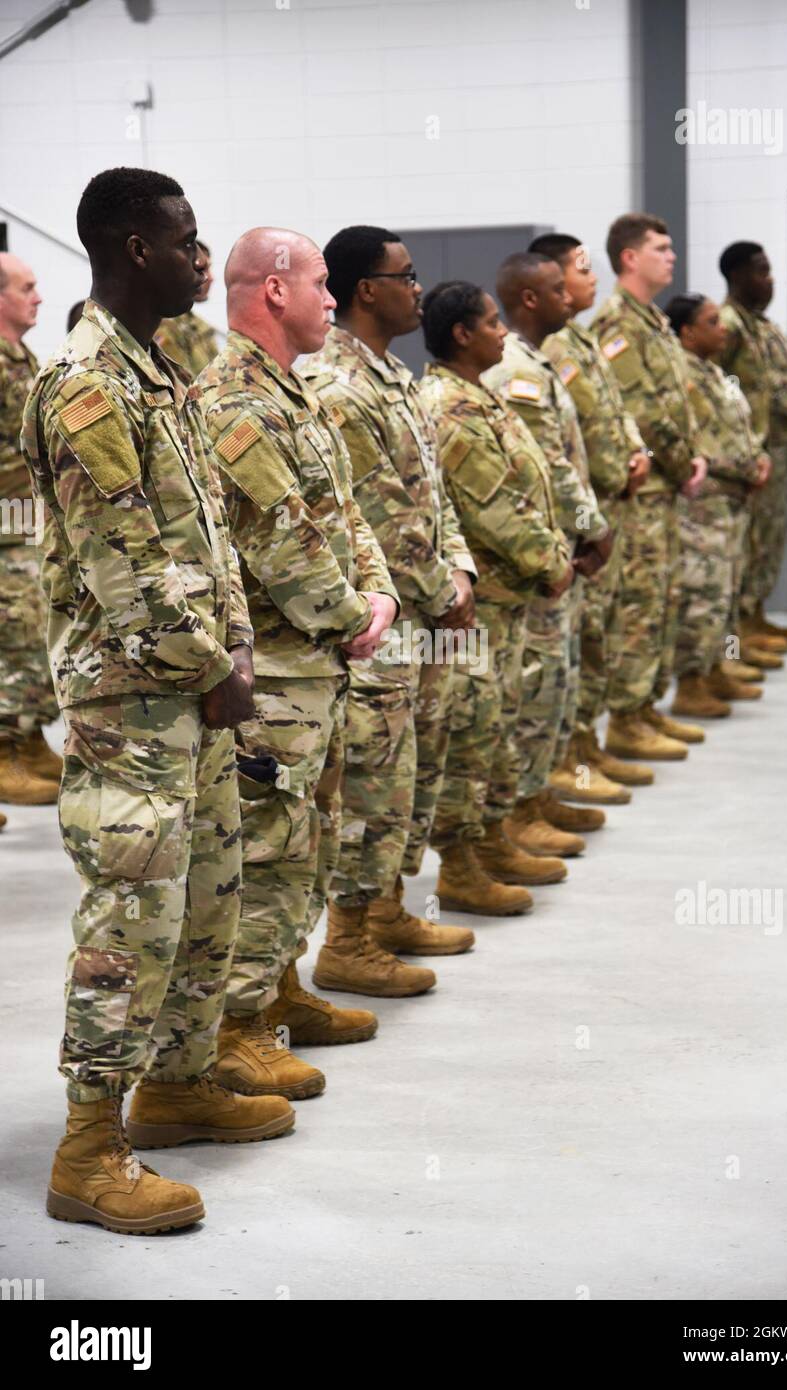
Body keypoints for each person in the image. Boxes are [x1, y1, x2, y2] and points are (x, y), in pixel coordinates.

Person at [21, 167, 293, 1237]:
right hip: (134, 700)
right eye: (185, 239)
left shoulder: (157, 370)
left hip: (189, 691)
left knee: (208, 899)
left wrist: (229, 656)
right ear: (135, 247)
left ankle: (176, 1088)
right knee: (132, 919)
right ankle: (89, 1148)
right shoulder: (87, 382)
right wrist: (211, 666)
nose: (198, 255)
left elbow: (199, 537)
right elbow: (122, 561)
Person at [198, 227, 399, 1097]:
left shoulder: (297, 393)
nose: (331, 298)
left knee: (306, 841)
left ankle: (278, 990)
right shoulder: (235, 402)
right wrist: (357, 611)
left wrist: (380, 591)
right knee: (268, 851)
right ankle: (237, 1025)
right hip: (274, 673)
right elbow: (283, 541)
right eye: (320, 283)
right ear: (274, 290)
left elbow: (345, 514)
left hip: (318, 665)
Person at [302, 226, 476, 999]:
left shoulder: (391, 376)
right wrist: (446, 593)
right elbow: (382, 521)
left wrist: (460, 569)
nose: (418, 289)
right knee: (370, 788)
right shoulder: (338, 388)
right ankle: (347, 943)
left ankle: (387, 911)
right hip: (384, 625)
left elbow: (432, 497)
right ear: (366, 290)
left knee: (406, 779)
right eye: (406, 278)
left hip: (424, 616)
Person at [419, 280, 585, 917]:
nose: (503, 333)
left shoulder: (478, 396)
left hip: (505, 600)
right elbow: (493, 509)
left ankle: (489, 837)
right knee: (471, 730)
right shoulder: (450, 406)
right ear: (463, 334)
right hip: (478, 604)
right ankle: (461, 863)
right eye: (493, 323)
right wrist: (549, 558)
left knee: (493, 726)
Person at [481, 252, 610, 856]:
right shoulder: (515, 371)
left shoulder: (536, 361)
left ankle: (535, 794)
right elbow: (549, 468)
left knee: (554, 681)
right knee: (531, 689)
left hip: (555, 548)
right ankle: (515, 810)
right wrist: (592, 522)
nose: (570, 297)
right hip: (530, 560)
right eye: (557, 289)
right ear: (529, 299)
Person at [535, 231, 655, 802]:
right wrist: (617, 472)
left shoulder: (579, 342)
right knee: (580, 642)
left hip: (609, 503)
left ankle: (587, 747)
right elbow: (565, 443)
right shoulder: (552, 351)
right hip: (585, 516)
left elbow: (617, 415)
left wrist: (639, 459)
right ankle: (569, 759)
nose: (591, 280)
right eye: (579, 271)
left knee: (600, 635)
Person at [592, 213, 709, 760]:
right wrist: (685, 463)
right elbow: (642, 413)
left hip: (664, 487)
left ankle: (644, 708)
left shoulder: (654, 322)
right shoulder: (617, 325)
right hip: (642, 491)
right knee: (637, 603)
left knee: (662, 597)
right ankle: (625, 718)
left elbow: (676, 406)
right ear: (630, 258)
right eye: (660, 249)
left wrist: (692, 458)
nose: (672, 256)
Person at [665, 293, 770, 716]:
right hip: (707, 504)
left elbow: (738, 429)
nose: (722, 327)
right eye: (712, 321)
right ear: (688, 332)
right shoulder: (683, 377)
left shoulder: (714, 372)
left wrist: (757, 459)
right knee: (702, 595)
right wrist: (746, 467)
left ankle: (717, 666)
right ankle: (690, 683)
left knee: (726, 594)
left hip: (732, 501)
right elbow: (701, 447)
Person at [717, 242, 787, 654]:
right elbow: (723, 387)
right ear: (738, 277)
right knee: (752, 539)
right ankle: (741, 624)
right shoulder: (727, 325)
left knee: (771, 536)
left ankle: (756, 613)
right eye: (761, 272)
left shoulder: (762, 326)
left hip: (777, 448)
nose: (770, 280)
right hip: (750, 452)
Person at [0, 251, 61, 806]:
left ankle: (29, 739)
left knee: (34, 641)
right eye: (26, 286)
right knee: (14, 641)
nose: (38, 295)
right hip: (3, 533)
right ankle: (2, 753)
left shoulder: (22, 357)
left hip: (27, 528)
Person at [155, 238, 219, 374]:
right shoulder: (165, 326)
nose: (210, 278)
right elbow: (182, 387)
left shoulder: (198, 325)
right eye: (202, 269)